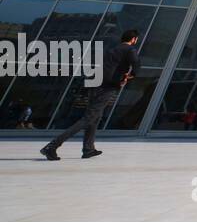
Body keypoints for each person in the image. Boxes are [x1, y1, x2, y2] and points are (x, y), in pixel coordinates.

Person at [40, 29, 140, 160]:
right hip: (107, 87)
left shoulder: (111, 50)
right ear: (133, 39)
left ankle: (88, 149)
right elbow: (136, 65)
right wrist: (129, 76)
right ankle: (52, 146)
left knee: (95, 117)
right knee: (88, 118)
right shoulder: (129, 50)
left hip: (95, 83)